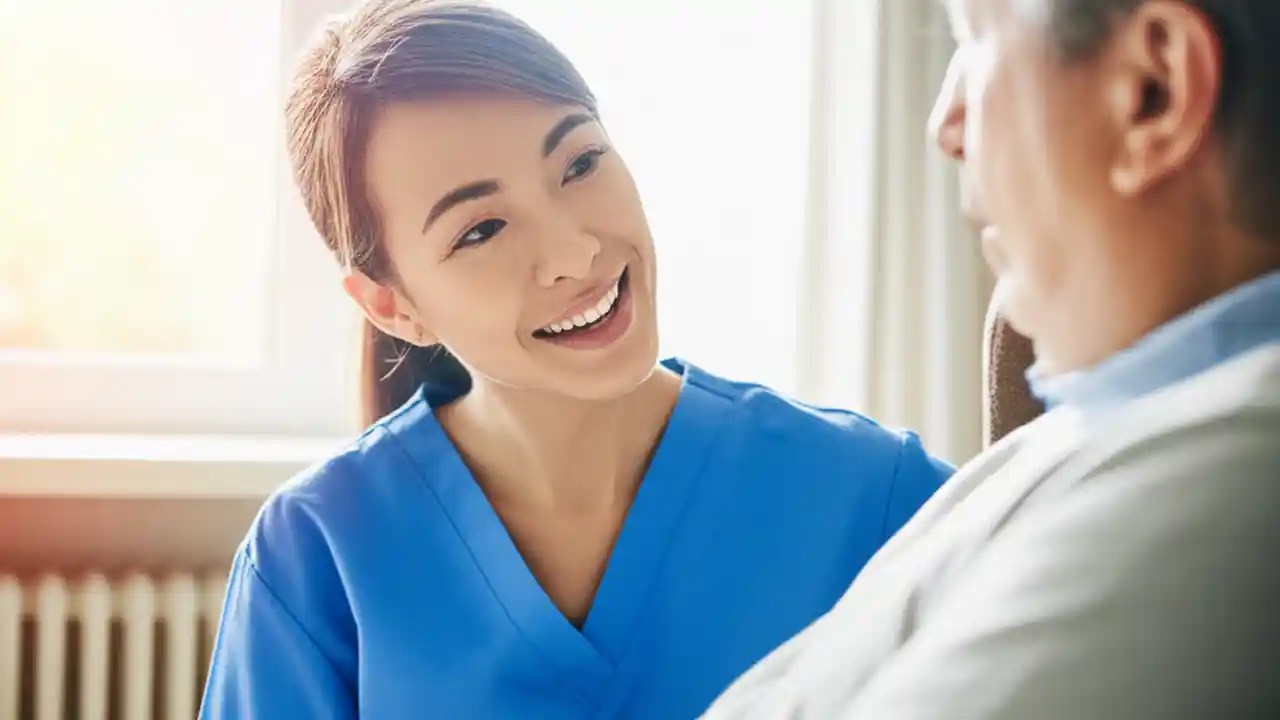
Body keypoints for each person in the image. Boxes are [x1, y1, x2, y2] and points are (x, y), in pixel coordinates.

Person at [197, 1, 953, 717]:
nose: (575, 253)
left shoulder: (877, 498)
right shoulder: (313, 558)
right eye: (481, 229)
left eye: (581, 163)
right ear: (392, 305)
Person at [703, 0, 1280, 717]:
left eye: (975, 41)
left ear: (1151, 90)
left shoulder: (1225, 496)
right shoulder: (1101, 422)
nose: (944, 124)